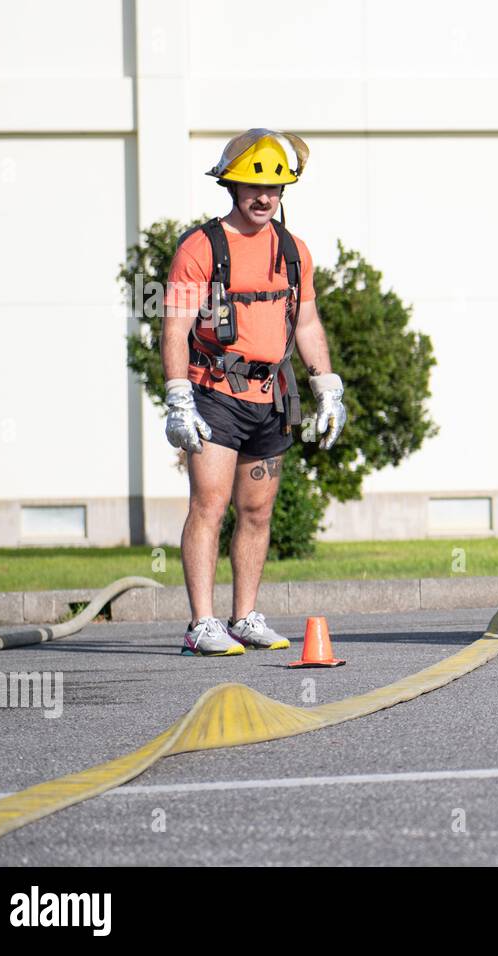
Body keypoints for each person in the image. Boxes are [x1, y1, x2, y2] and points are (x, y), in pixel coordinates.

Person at [162, 129, 348, 656]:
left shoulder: (293, 251)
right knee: (210, 506)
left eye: (273, 189)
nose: (263, 198)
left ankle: (243, 617)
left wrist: (327, 388)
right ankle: (202, 623)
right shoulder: (202, 247)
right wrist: (178, 397)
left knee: (257, 512)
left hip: (270, 397)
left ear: (285, 192)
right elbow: (174, 327)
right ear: (231, 188)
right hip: (214, 393)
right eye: (251, 188)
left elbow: (307, 323)